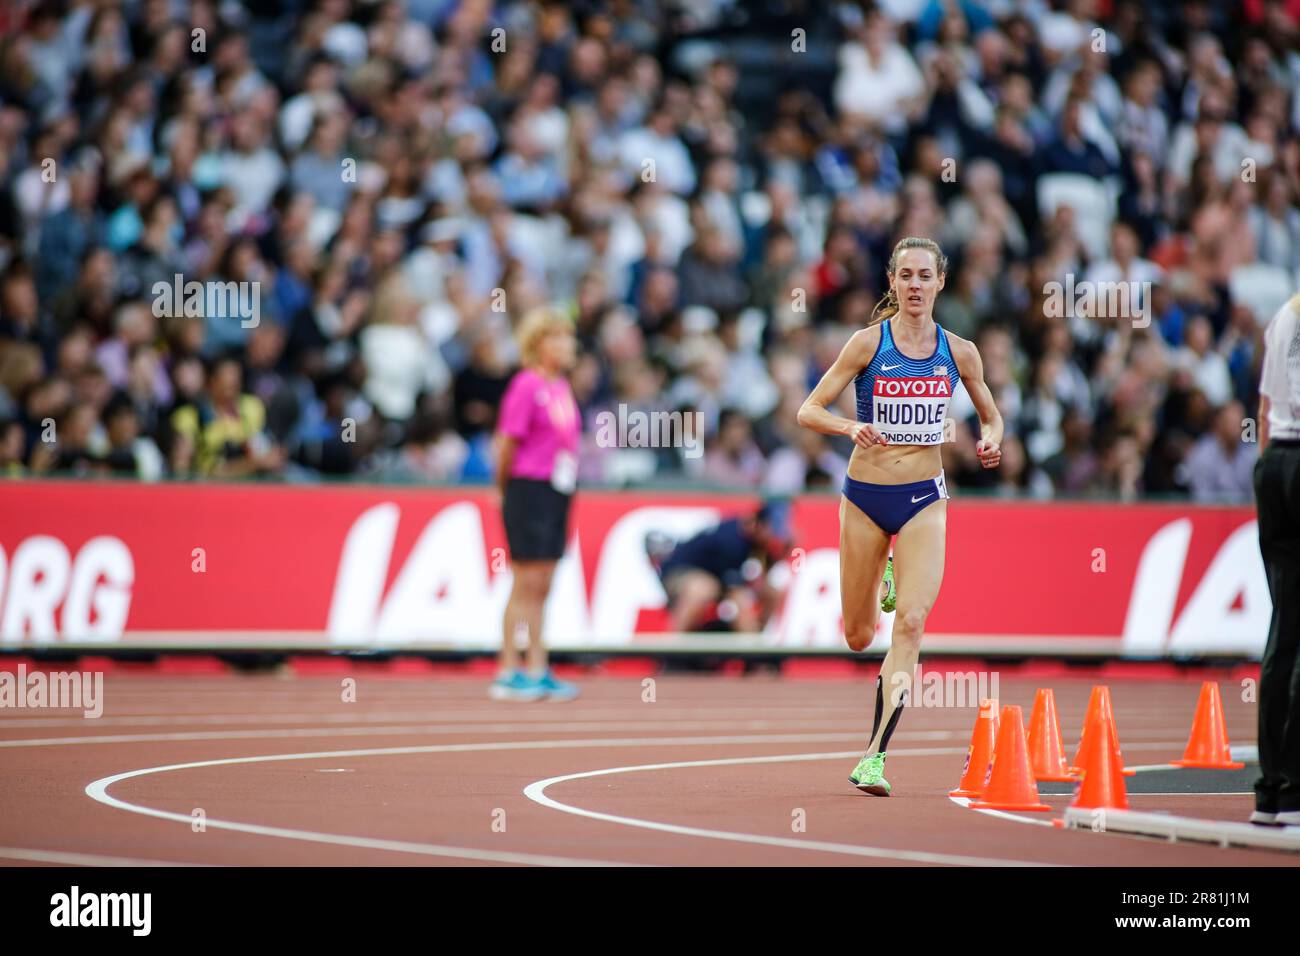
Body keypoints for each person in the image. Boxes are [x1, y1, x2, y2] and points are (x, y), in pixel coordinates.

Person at [797, 236, 1003, 795]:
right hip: (864, 499)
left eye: (924, 276)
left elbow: (991, 415)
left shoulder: (959, 351)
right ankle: (885, 565)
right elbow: (808, 409)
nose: (914, 285)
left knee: (910, 623)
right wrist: (849, 427)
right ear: (892, 281)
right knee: (860, 635)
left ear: (940, 283)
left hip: (923, 501)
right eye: (905, 275)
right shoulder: (867, 344)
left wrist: (990, 439)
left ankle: (874, 757)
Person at [491, 307, 582, 702]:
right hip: (528, 487)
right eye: (554, 337)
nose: (564, 344)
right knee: (524, 579)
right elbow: (507, 442)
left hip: (557, 489)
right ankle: (509, 667)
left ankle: (538, 666)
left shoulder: (561, 386)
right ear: (536, 344)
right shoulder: (526, 385)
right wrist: (502, 488)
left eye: (566, 336)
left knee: (544, 581)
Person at [1252, 293, 1300, 826]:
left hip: (1277, 462)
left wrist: (1269, 481)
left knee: (1283, 628)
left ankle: (1272, 789)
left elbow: (1264, 412)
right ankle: (1297, 783)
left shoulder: (1285, 313)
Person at [652, 502, 790, 633]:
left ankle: (756, 647)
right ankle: (672, 648)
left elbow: (755, 581)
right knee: (705, 589)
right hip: (678, 574)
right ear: (757, 525)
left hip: (716, 578)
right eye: (771, 530)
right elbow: (736, 591)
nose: (773, 536)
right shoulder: (732, 540)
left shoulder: (754, 541)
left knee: (771, 592)